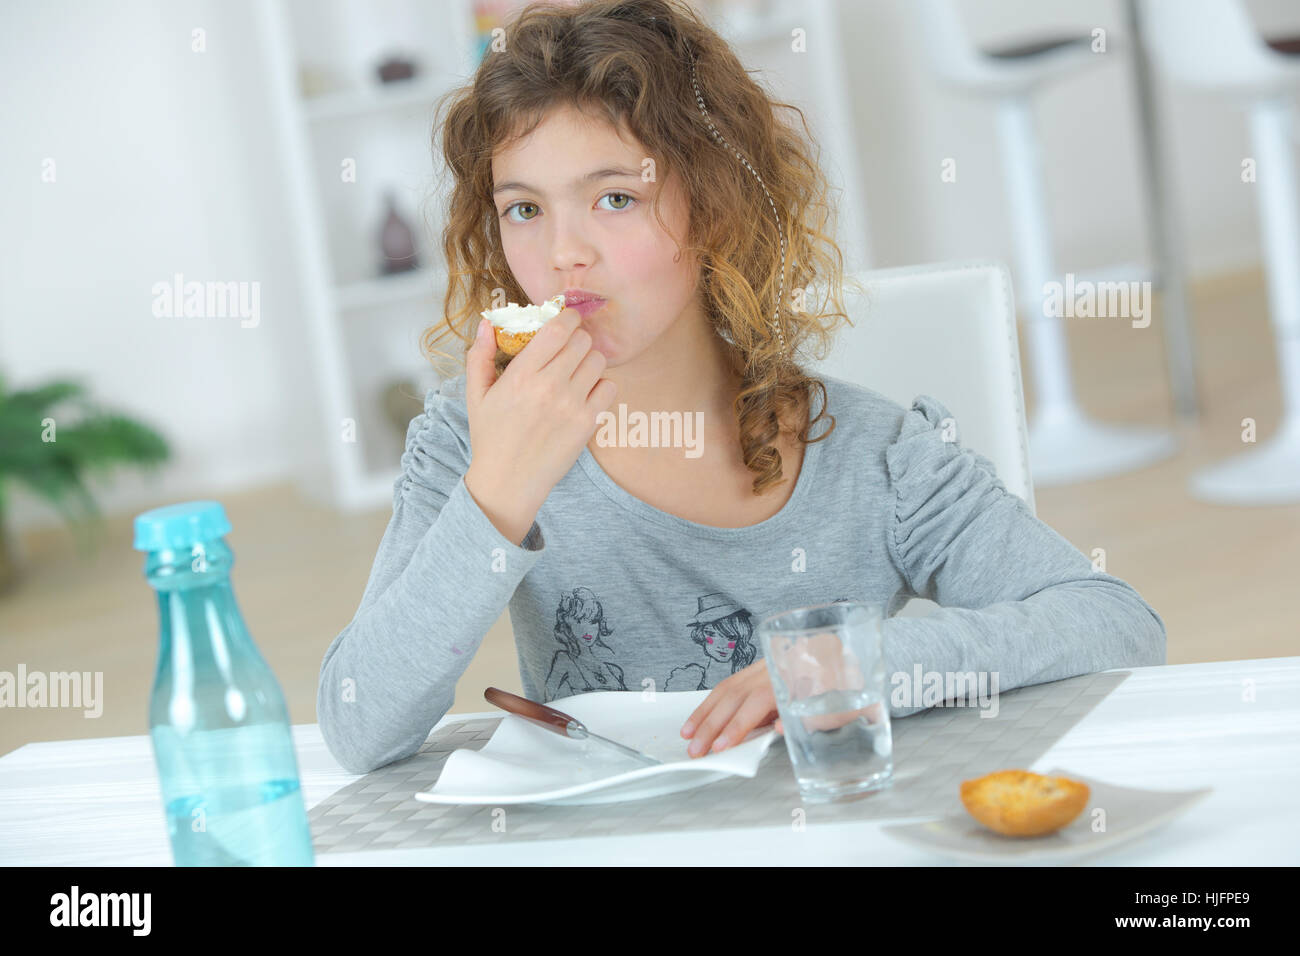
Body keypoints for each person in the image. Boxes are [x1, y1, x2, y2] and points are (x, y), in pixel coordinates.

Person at [316, 0, 1165, 775]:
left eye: (614, 197)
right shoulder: (474, 441)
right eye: (525, 209)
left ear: (716, 207)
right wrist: (496, 496)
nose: (564, 252)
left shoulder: (877, 458)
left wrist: (863, 663)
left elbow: (1115, 623)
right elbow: (361, 727)